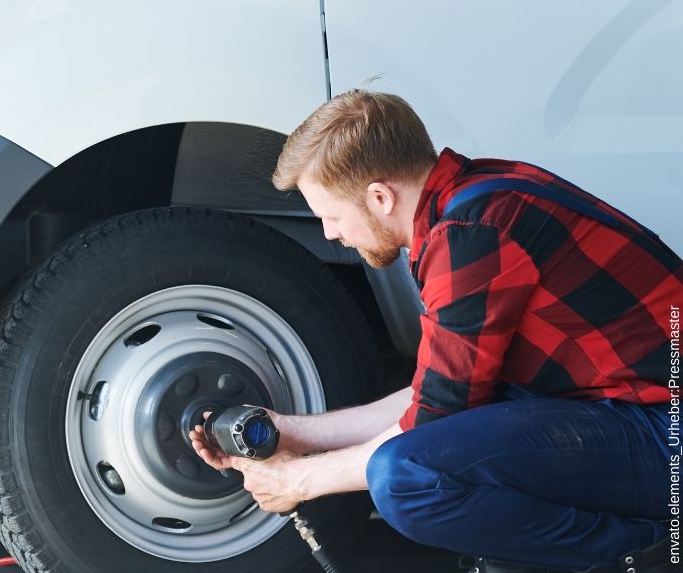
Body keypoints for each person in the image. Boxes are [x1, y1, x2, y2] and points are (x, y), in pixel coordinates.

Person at [191, 90, 679, 573]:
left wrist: (301, 481)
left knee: (405, 479)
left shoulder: (470, 232)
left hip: (665, 430)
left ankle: (653, 556)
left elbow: (431, 422)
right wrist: (291, 433)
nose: (330, 234)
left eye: (331, 216)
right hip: (637, 417)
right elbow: (438, 393)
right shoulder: (480, 194)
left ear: (379, 197)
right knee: (444, 444)